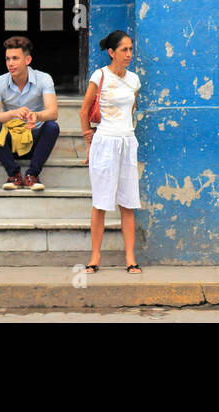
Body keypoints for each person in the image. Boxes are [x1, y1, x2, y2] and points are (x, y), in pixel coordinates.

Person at [80, 30, 142, 273]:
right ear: (111, 52)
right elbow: (84, 111)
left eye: (130, 49)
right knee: (101, 203)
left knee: (127, 203)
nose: (128, 54)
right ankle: (95, 257)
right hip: (104, 142)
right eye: (123, 50)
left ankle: (130, 258)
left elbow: (131, 109)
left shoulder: (134, 80)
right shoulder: (100, 75)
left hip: (127, 142)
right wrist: (88, 141)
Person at [0, 35, 59, 191]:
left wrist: (37, 116)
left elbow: (53, 112)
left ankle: (32, 175)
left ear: (27, 60)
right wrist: (13, 113)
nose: (10, 63)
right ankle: (14, 175)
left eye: (15, 58)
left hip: (34, 137)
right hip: (11, 139)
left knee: (52, 126)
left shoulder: (44, 79)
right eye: (7, 59)